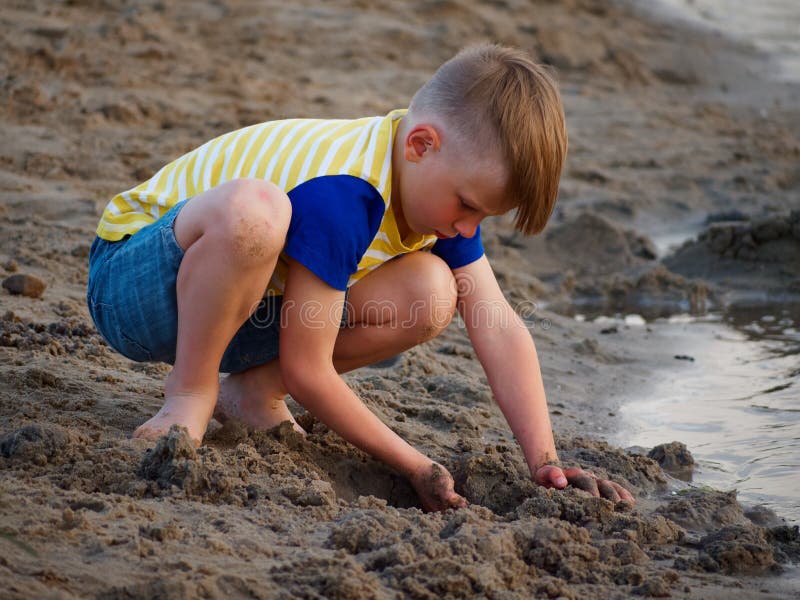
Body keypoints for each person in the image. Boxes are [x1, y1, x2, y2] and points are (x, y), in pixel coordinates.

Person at [87, 43, 634, 511]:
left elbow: (498, 325)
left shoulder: (431, 185)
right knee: (257, 210)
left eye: (482, 217)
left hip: (234, 306)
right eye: (466, 206)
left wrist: (546, 461)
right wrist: (415, 463)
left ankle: (251, 394)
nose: (466, 227)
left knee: (432, 292)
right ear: (421, 144)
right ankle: (189, 393)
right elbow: (311, 370)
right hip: (137, 285)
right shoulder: (347, 191)